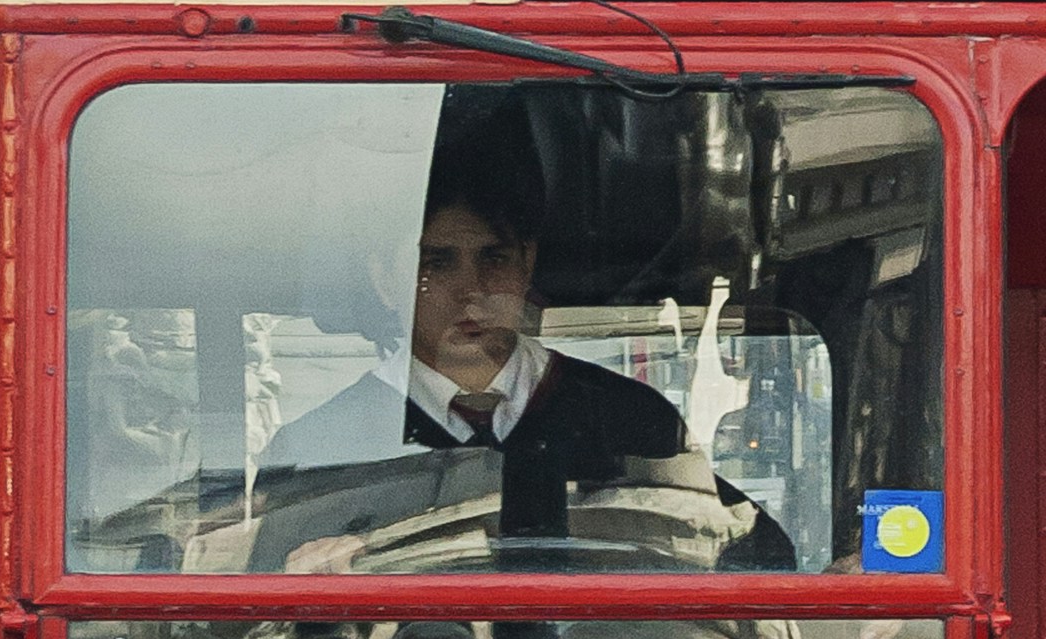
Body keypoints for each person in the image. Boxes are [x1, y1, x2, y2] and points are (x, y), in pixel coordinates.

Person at [257, 99, 793, 572]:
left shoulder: (633, 421)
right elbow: (255, 620)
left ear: (527, 261)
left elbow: (745, 553)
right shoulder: (317, 447)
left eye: (493, 259)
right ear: (383, 278)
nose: (470, 291)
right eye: (435, 265)